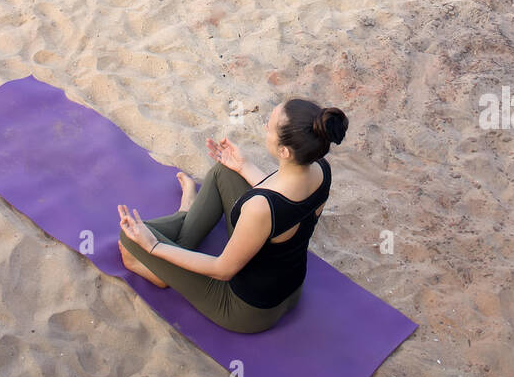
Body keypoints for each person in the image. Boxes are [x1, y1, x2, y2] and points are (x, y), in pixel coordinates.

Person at [117, 98, 348, 333]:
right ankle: (186, 216)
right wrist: (243, 166)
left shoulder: (260, 208)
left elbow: (222, 269)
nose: (266, 128)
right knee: (223, 171)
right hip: (292, 289)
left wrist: (154, 247)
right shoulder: (320, 168)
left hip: (247, 311)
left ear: (284, 151)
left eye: (270, 125)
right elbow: (288, 205)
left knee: (130, 237)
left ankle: (180, 227)